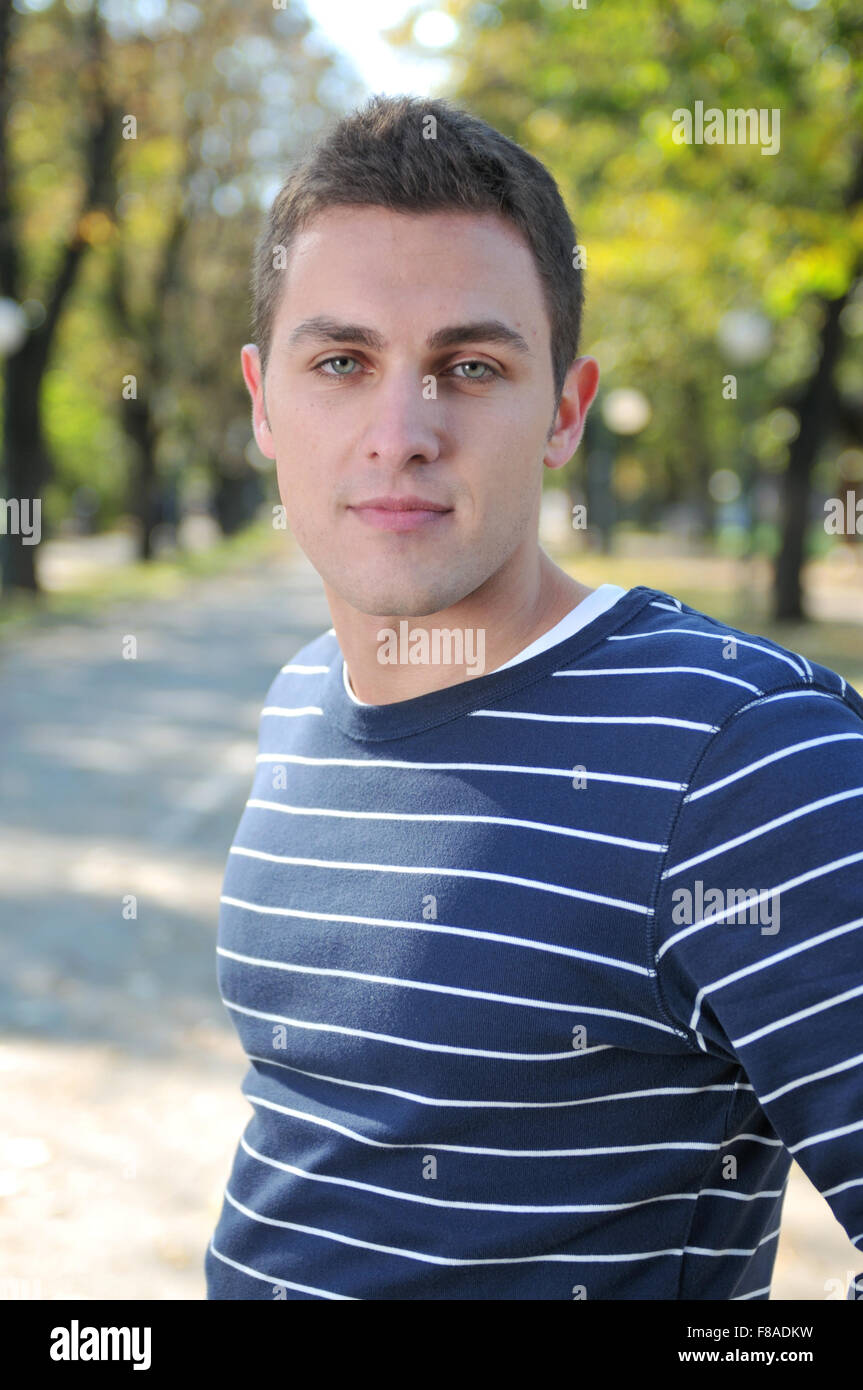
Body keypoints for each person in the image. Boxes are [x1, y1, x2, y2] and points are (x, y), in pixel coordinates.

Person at [205, 94, 863, 1300]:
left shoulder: (739, 758)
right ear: (262, 400)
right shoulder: (305, 696)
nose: (399, 432)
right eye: (342, 362)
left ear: (563, 408)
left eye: (469, 365)